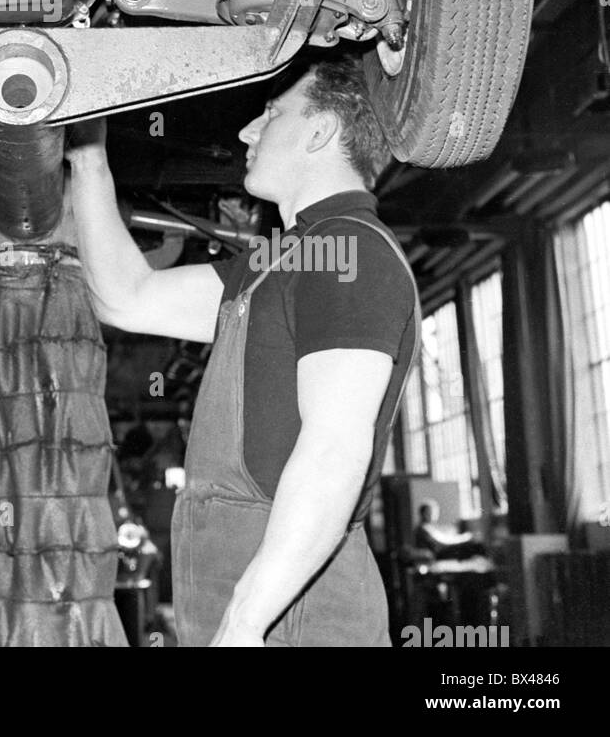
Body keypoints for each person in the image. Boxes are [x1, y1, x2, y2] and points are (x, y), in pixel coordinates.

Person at [68, 53, 420, 647]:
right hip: (251, 589)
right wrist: (86, 154)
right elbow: (127, 298)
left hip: (295, 607)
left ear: (320, 131)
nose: (246, 131)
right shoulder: (283, 260)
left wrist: (246, 622)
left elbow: (334, 450)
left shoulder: (350, 253)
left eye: (270, 114)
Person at [413, 500, 485, 561]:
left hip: (441, 552)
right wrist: (465, 538)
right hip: (439, 556)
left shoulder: (428, 527)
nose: (435, 514)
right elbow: (444, 542)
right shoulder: (424, 528)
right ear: (425, 513)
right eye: (432, 511)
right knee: (475, 546)